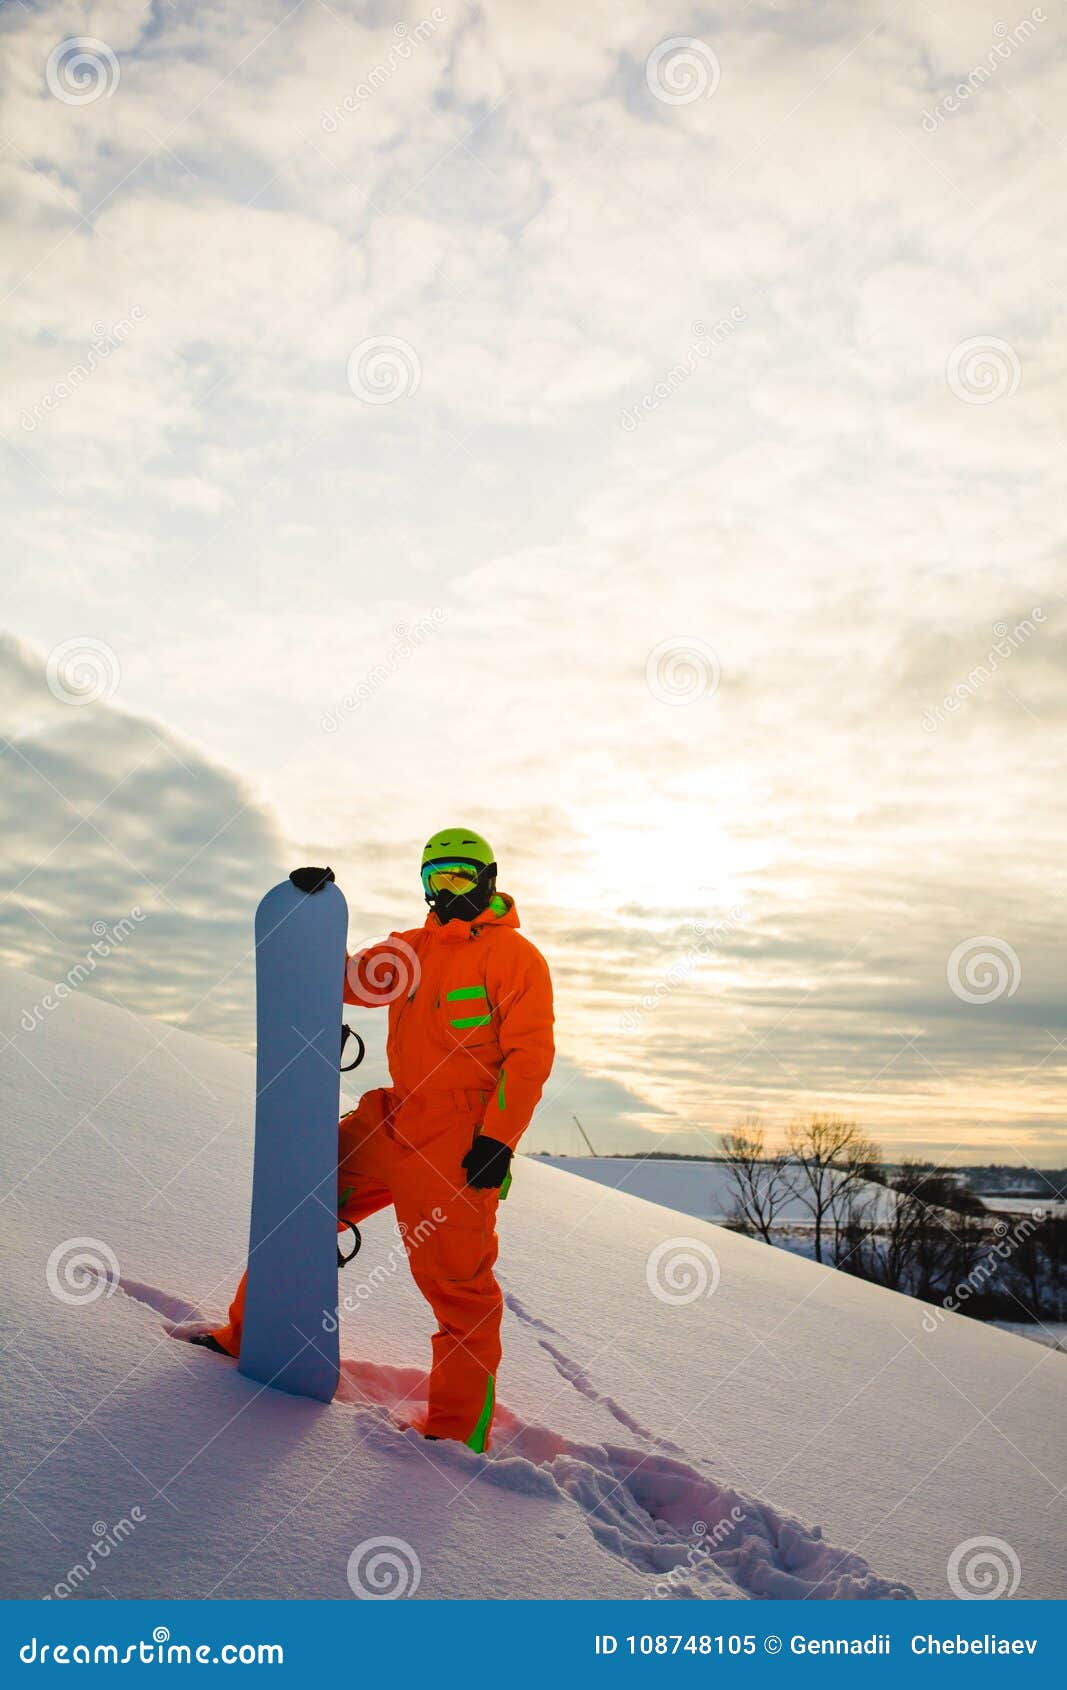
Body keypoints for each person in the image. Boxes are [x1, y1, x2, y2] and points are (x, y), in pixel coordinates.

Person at [199, 828, 554, 1452]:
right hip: (394, 1117)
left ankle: (454, 1431)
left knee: (458, 1287)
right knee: (302, 1201)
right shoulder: (409, 952)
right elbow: (342, 980)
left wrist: (496, 1140)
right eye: (434, 879)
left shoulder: (515, 959)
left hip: (459, 1141)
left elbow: (529, 1060)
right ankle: (247, 1334)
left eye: (460, 878)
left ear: (490, 880)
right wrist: (308, 917)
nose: (446, 891)